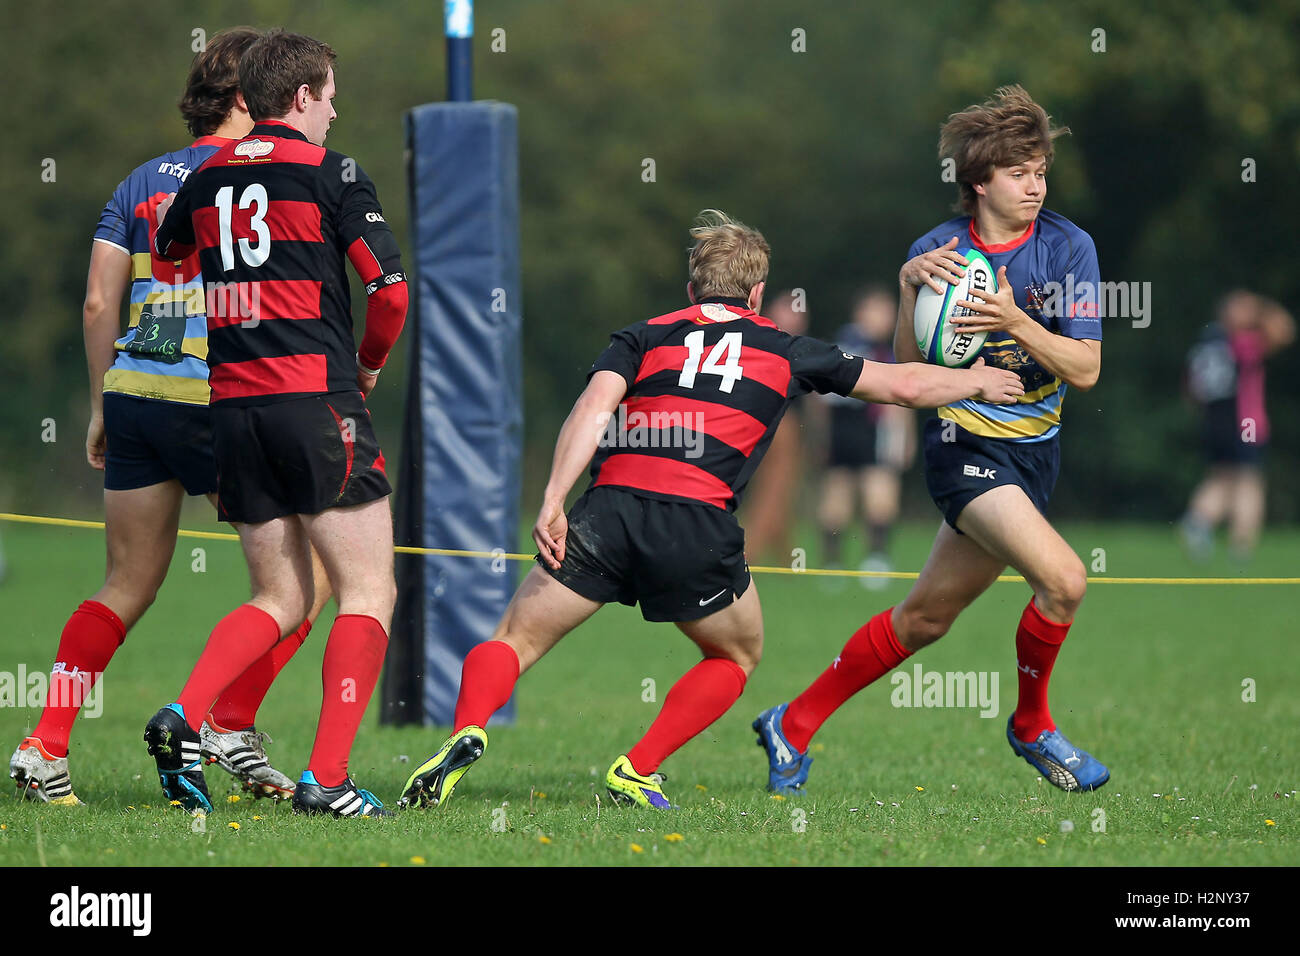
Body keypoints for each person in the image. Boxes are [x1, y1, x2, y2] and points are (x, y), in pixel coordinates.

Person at [396, 210, 1022, 811]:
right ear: (756, 293)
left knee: (513, 639)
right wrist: (980, 382)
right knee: (735, 656)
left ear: (690, 287)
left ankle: (469, 729)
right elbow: (904, 385)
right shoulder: (787, 349)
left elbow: (591, 411)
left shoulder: (643, 334)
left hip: (608, 509)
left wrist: (553, 499)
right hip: (694, 521)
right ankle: (637, 768)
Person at [755, 85, 1111, 795]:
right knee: (1066, 581)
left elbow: (1087, 367)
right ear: (978, 182)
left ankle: (789, 724)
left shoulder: (1070, 247)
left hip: (1036, 451)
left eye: (1041, 171)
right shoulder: (936, 253)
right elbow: (901, 366)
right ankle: (1033, 725)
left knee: (923, 619)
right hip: (964, 444)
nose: (1036, 185)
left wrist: (1013, 320)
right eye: (1020, 173)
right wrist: (908, 286)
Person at [8, 27, 329, 806]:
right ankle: (224, 724)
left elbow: (96, 303)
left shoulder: (138, 182)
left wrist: (98, 406)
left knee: (124, 584)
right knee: (301, 584)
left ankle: (43, 745)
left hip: (133, 395)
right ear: (253, 96)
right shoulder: (260, 175)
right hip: (221, 399)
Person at [146, 29, 408, 818]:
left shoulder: (206, 175)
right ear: (301, 97)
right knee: (368, 589)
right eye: (329, 96)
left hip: (234, 410)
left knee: (283, 595)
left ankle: (184, 717)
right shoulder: (336, 175)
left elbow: (167, 259)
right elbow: (390, 295)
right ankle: (326, 780)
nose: (334, 111)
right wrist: (367, 364)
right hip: (318, 402)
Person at [1180, 290, 1294, 561]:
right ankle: (1241, 544)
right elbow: (1285, 330)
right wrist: (1261, 309)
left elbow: (1190, 389)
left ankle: (1197, 521)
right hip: (1246, 423)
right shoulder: (1243, 343)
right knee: (1249, 479)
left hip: (1213, 421)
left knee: (1221, 476)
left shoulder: (1205, 343)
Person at [817, 285, 916, 589]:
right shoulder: (864, 348)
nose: (886, 318)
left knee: (864, 493)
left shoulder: (862, 347)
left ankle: (855, 562)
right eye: (879, 310)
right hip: (859, 427)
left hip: (855, 430)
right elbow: (897, 394)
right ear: (861, 312)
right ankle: (856, 562)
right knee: (854, 493)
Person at [738, 290, 808, 564]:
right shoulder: (776, 341)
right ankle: (749, 553)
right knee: (774, 488)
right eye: (791, 310)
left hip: (774, 421)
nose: (797, 316)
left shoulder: (757, 338)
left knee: (781, 488)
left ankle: (785, 555)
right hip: (779, 421)